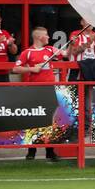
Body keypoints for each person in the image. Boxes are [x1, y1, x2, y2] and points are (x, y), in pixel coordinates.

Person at [14, 26, 62, 160]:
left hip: (49, 90)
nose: (48, 37)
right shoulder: (27, 52)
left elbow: (66, 53)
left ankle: (50, 151)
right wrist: (31, 69)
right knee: (33, 121)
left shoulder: (50, 49)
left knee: (51, 121)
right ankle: (31, 151)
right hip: (35, 91)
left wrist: (73, 44)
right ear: (39, 37)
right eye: (46, 35)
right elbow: (16, 68)